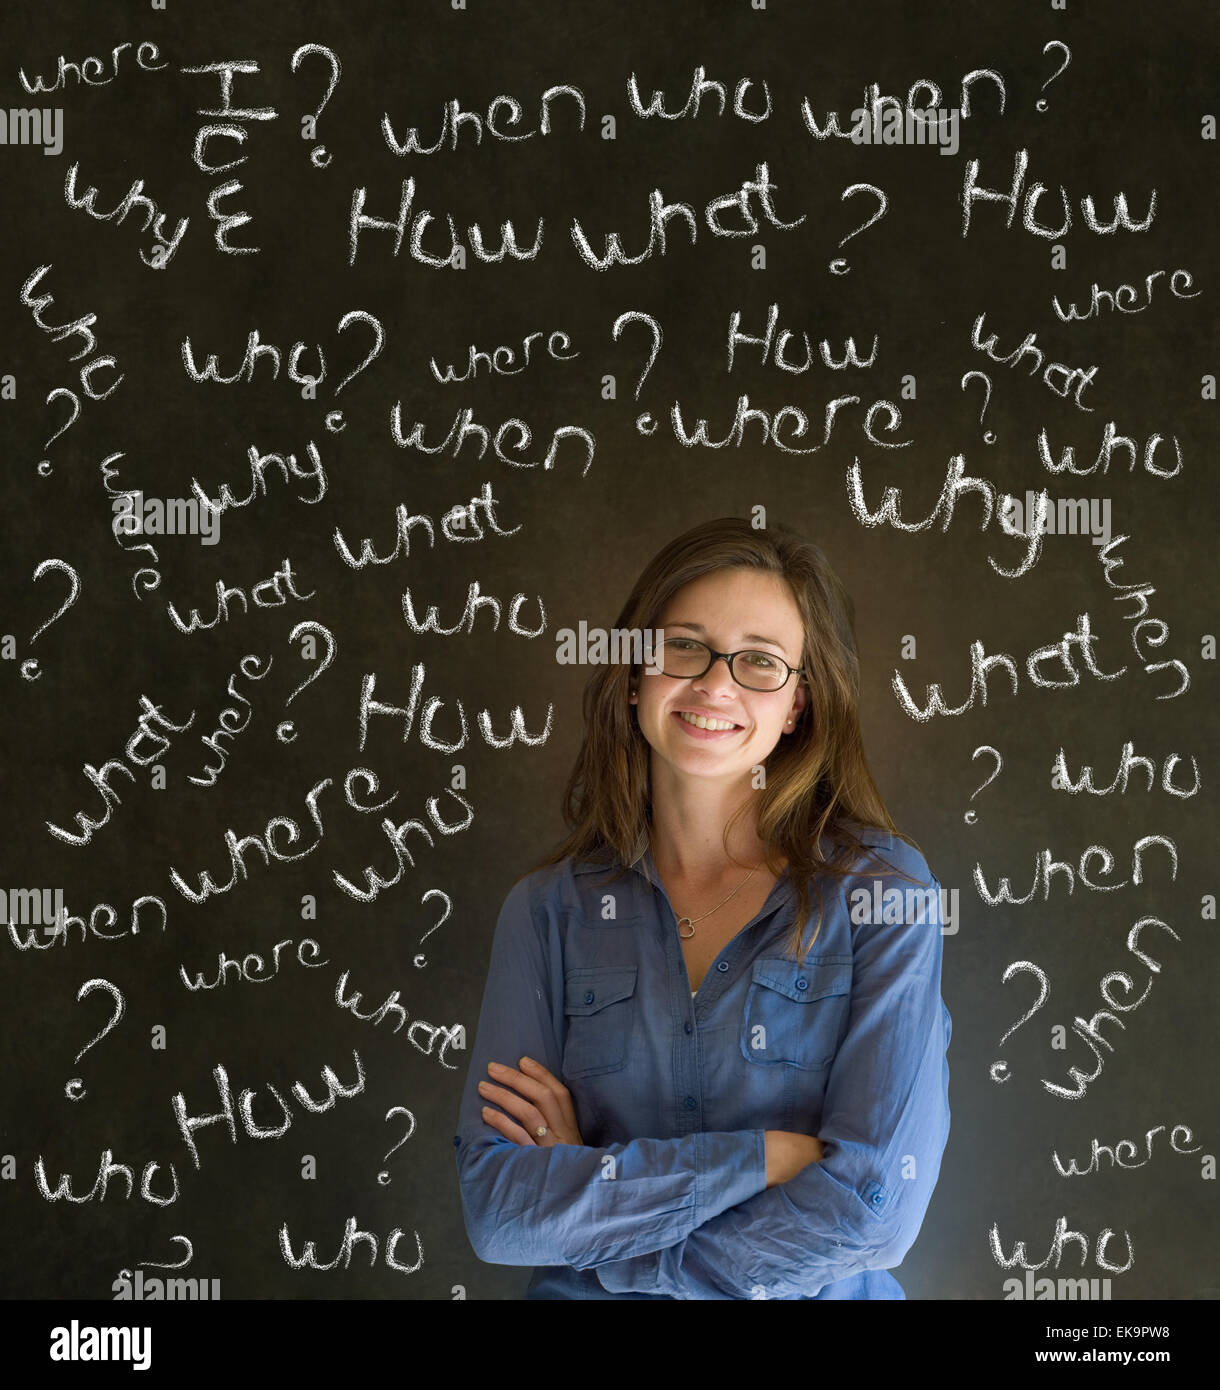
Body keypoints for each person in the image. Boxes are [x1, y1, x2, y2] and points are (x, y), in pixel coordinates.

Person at [453, 516, 952, 1299]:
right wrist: (757, 1159)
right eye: (683, 646)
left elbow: (873, 1211)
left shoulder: (884, 895)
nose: (715, 685)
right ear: (632, 674)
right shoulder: (546, 913)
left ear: (798, 705)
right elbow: (502, 1213)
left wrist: (607, 1231)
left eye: (760, 661)